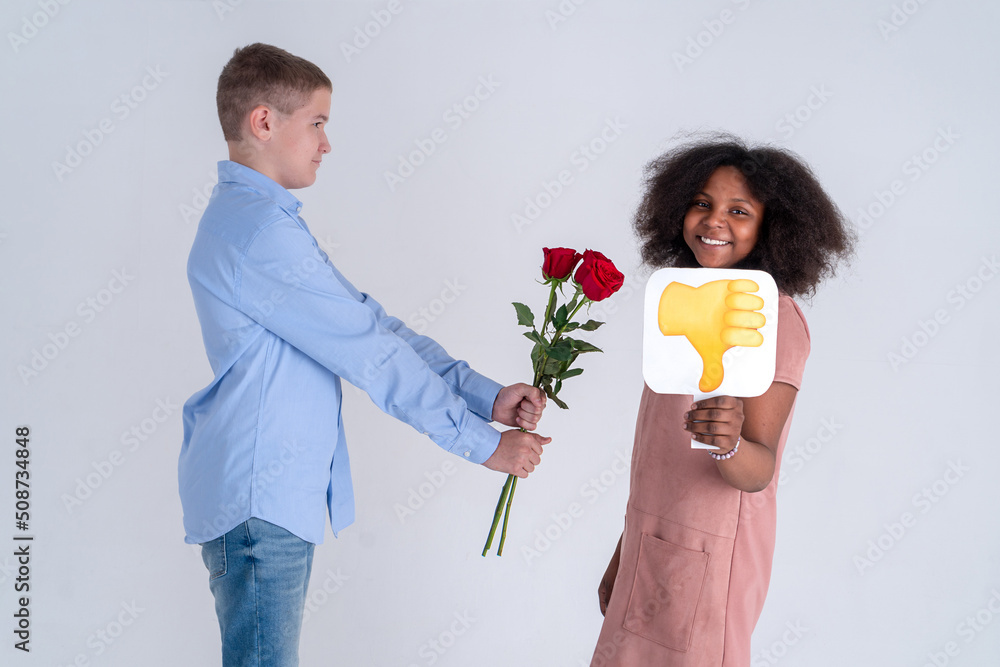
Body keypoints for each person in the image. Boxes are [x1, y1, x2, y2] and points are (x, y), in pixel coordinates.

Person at [179, 43, 551, 666]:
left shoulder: (261, 220)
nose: (328, 144)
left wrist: (483, 395)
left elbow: (370, 323)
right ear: (264, 122)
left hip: (260, 496)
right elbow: (370, 353)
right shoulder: (261, 232)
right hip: (258, 501)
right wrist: (480, 442)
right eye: (317, 123)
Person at [591, 134, 853, 666]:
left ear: (770, 228)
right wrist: (626, 550)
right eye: (702, 204)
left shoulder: (772, 321)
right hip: (652, 536)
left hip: (711, 551)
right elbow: (657, 460)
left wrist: (730, 441)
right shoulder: (679, 309)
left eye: (739, 210)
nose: (714, 221)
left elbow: (757, 470)